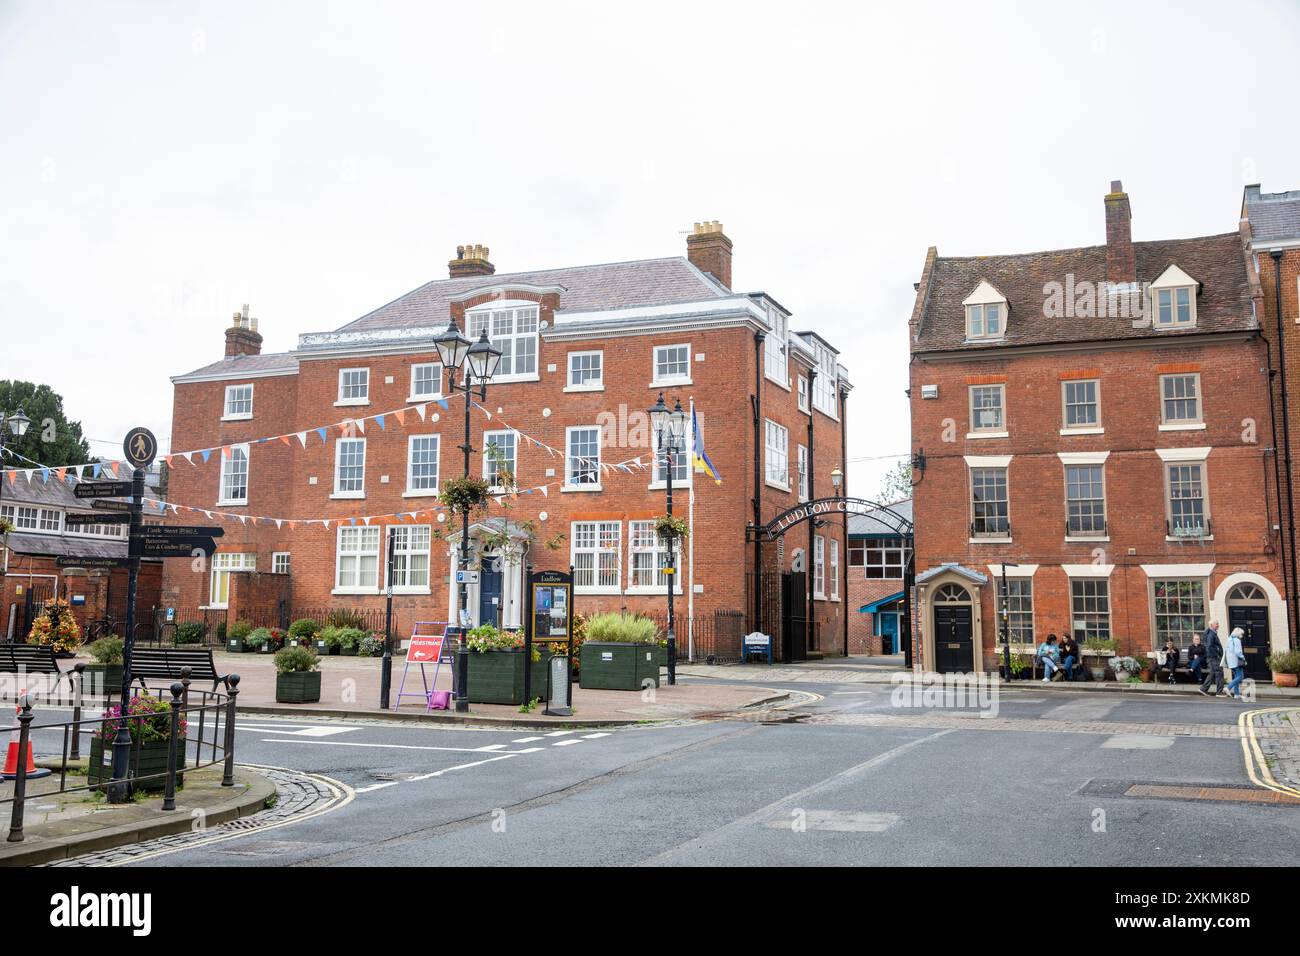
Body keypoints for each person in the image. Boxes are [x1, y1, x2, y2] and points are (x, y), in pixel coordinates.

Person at [1198, 620, 1224, 697]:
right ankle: (1219, 692)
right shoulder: (1211, 634)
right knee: (1219, 673)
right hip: (1213, 657)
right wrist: (1216, 654)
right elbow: (1209, 646)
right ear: (1211, 625)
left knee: (1212, 673)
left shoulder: (1212, 633)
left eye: (1218, 624)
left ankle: (1203, 689)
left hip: (1212, 657)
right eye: (1216, 624)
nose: (1218, 625)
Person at [1224, 627, 1247, 700]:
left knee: (1236, 677)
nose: (1242, 636)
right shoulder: (1237, 640)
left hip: (1231, 662)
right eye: (1241, 634)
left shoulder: (1229, 639)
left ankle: (1236, 694)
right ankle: (1228, 687)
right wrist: (1243, 659)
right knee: (1240, 677)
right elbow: (1238, 652)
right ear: (1238, 634)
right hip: (1237, 662)